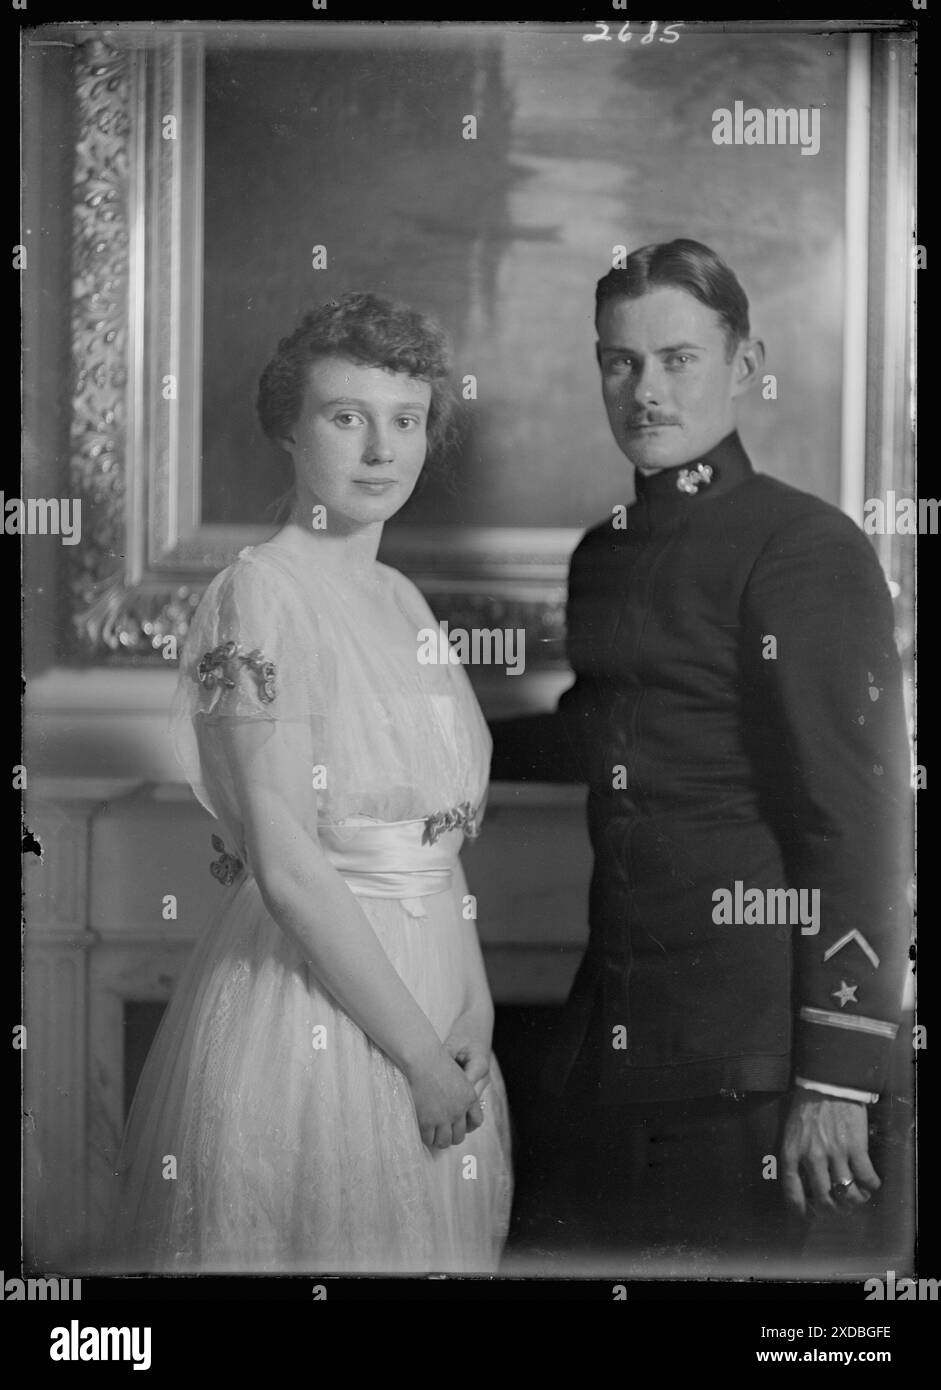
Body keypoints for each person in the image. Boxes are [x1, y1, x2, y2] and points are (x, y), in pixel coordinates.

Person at [492, 240, 911, 1272]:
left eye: (676, 358)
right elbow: (596, 734)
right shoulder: (605, 554)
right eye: (618, 362)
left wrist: (837, 1077)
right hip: (618, 1033)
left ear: (744, 361)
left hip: (757, 1054)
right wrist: (404, 729)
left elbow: (857, 820)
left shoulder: (801, 547)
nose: (644, 390)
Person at [110, 292, 512, 1274]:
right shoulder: (258, 597)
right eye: (346, 418)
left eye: (405, 420)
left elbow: (439, 842)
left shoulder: (399, 598)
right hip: (314, 1010)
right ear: (286, 430)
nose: (381, 449)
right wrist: (415, 1055)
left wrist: (472, 1017)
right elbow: (288, 865)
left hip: (437, 1006)